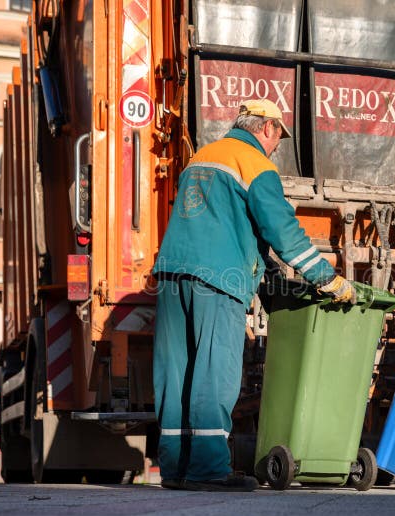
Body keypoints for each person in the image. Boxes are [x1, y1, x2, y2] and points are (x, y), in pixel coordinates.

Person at [151, 99, 354, 492]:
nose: (277, 145)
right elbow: (283, 232)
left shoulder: (201, 158)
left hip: (172, 274)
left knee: (177, 371)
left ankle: (175, 468)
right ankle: (208, 469)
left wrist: (271, 278)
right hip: (218, 279)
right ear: (267, 128)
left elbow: (231, 225)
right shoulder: (256, 165)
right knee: (215, 371)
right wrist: (326, 278)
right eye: (279, 136)